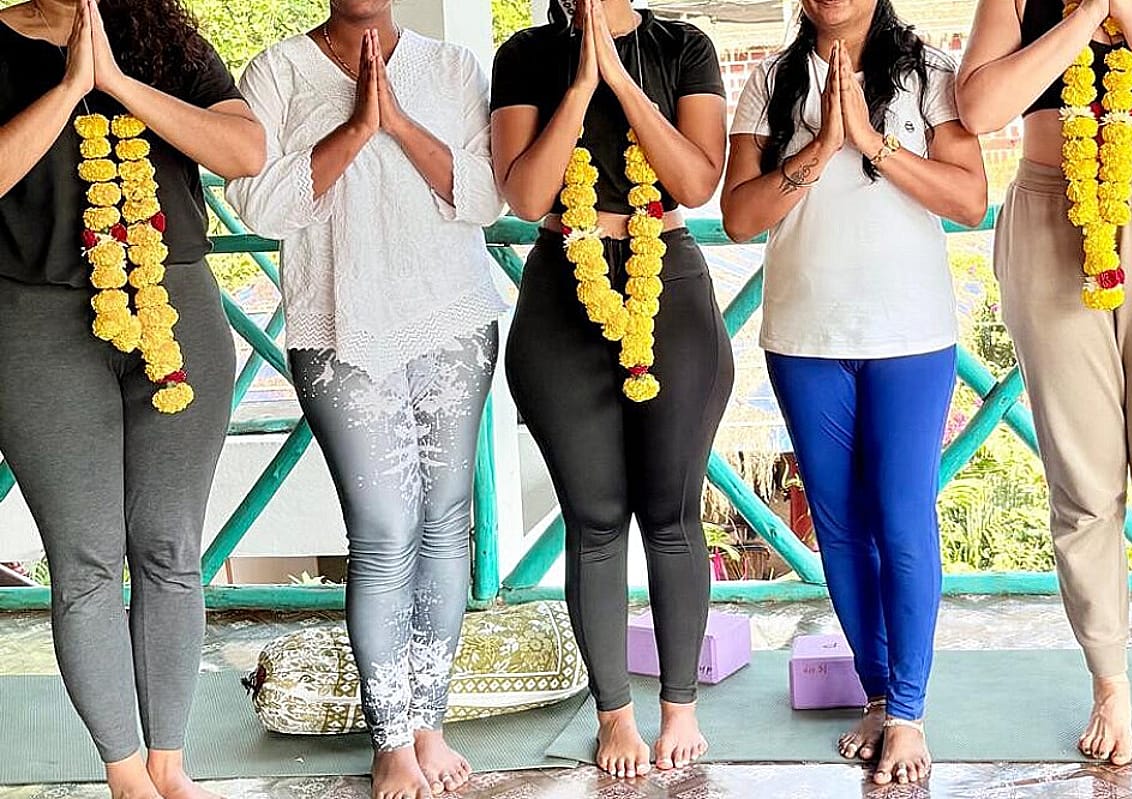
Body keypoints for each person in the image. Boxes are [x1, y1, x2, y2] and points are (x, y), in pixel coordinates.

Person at [224, 1, 506, 796]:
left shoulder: (451, 68)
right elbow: (259, 206)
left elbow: (487, 197)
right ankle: (390, 739)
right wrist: (353, 127)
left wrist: (401, 123)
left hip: (452, 319)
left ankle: (428, 722)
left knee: (448, 521)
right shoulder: (276, 71)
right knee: (384, 532)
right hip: (338, 327)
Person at [0, 0, 265, 797]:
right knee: (84, 560)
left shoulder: (162, 34)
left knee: (169, 550)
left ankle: (169, 767)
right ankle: (125, 775)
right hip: (36, 317)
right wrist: (68, 87)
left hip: (175, 306)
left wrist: (115, 78)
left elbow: (244, 150)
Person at [722, 0, 986, 785]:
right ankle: (877, 695)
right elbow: (739, 216)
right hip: (804, 339)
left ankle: (908, 710)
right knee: (839, 528)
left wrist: (872, 143)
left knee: (903, 519)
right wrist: (822, 147)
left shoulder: (929, 72)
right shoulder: (768, 80)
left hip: (910, 336)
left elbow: (969, 199)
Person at [490, 0, 733, 779]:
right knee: (594, 521)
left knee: (671, 511)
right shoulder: (525, 53)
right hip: (565, 290)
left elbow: (695, 179)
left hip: (670, 285)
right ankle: (614, 712)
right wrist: (579, 84)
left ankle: (680, 705)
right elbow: (526, 198)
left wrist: (622, 83)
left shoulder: (683, 45)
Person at [957, 0, 1132, 772]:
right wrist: (1085, 12)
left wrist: (1128, 10)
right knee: (1083, 479)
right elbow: (980, 106)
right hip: (1049, 207)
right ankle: (1108, 682)